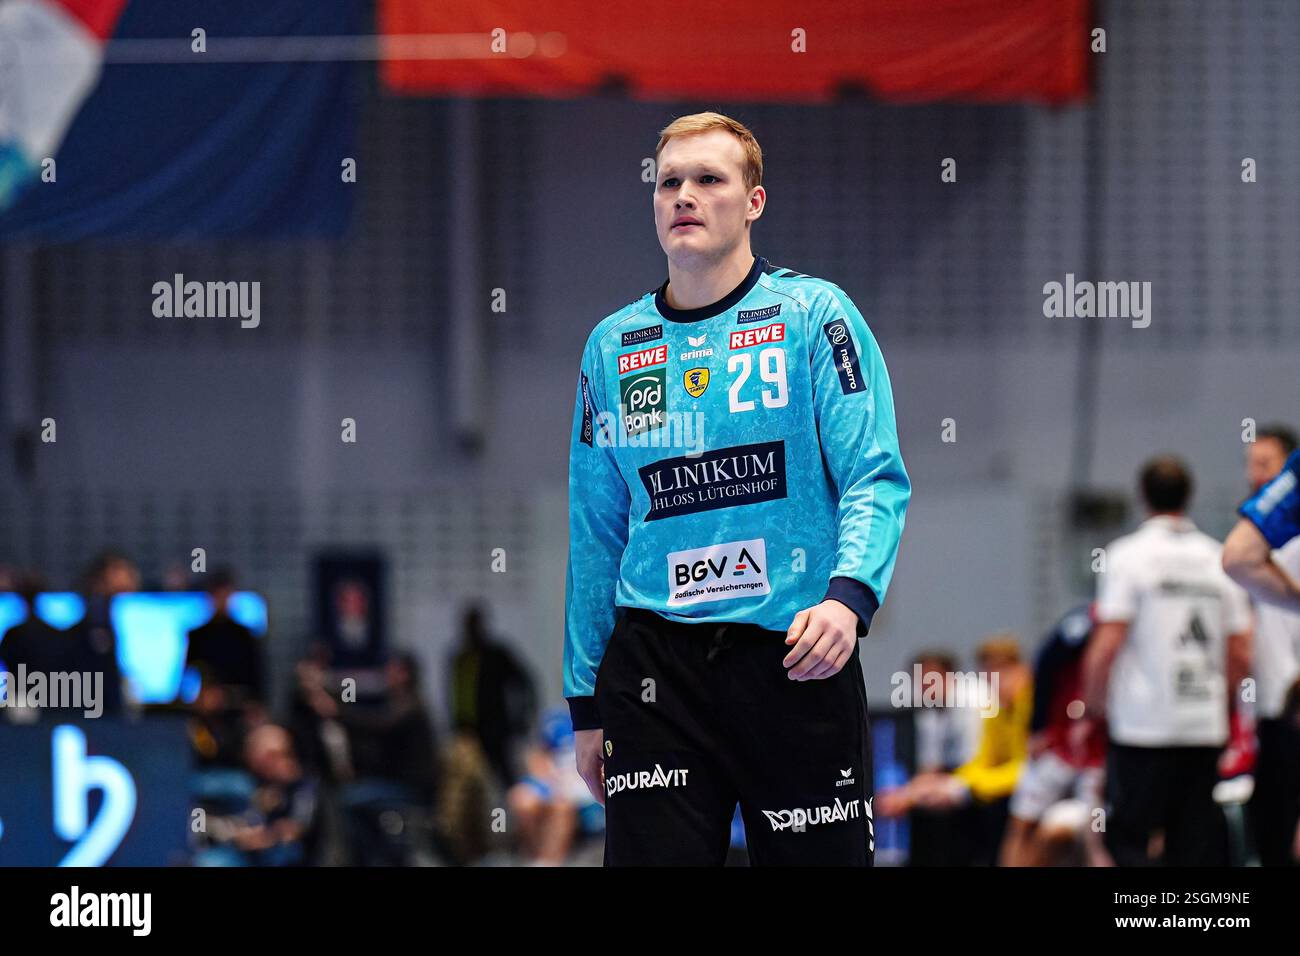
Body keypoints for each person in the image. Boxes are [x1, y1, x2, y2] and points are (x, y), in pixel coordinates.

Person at [563, 112, 910, 865]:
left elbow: (872, 475)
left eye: (708, 180)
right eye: (669, 183)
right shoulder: (612, 346)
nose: (684, 195)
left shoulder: (815, 317)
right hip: (655, 676)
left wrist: (848, 599)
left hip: (792, 657)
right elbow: (596, 531)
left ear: (753, 201)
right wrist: (586, 705)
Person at [1084, 455, 1252, 866]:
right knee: (1194, 841)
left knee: (1131, 839)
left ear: (1142, 497)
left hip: (1143, 728)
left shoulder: (1127, 557)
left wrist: (1092, 705)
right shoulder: (1218, 558)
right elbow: (1241, 650)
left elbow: (1107, 643)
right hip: (1201, 727)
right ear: (1188, 496)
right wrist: (1221, 701)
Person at [1236, 425, 1300, 865]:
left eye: (1266, 465)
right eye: (1250, 465)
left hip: (1292, 709)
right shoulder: (1268, 539)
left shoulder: (1288, 539)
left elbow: (1235, 560)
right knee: (1269, 834)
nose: (1255, 475)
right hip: (1269, 715)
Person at [1001, 606, 1108, 867]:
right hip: (1058, 745)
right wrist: (1038, 728)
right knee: (1022, 823)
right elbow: (1047, 663)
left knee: (1098, 833)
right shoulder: (1082, 622)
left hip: (1101, 755)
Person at [448, 603, 536, 787]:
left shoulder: (496, 654)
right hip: (465, 730)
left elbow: (525, 682)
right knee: (466, 780)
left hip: (494, 728)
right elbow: (454, 692)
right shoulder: (459, 656)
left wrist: (523, 717)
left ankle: (515, 811)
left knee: (504, 775)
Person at [185, 566, 265, 705]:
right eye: (218, 595)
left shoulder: (244, 635)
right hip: (206, 705)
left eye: (225, 595)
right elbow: (188, 673)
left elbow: (256, 675)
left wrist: (254, 703)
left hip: (240, 704)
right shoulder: (197, 636)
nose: (222, 600)